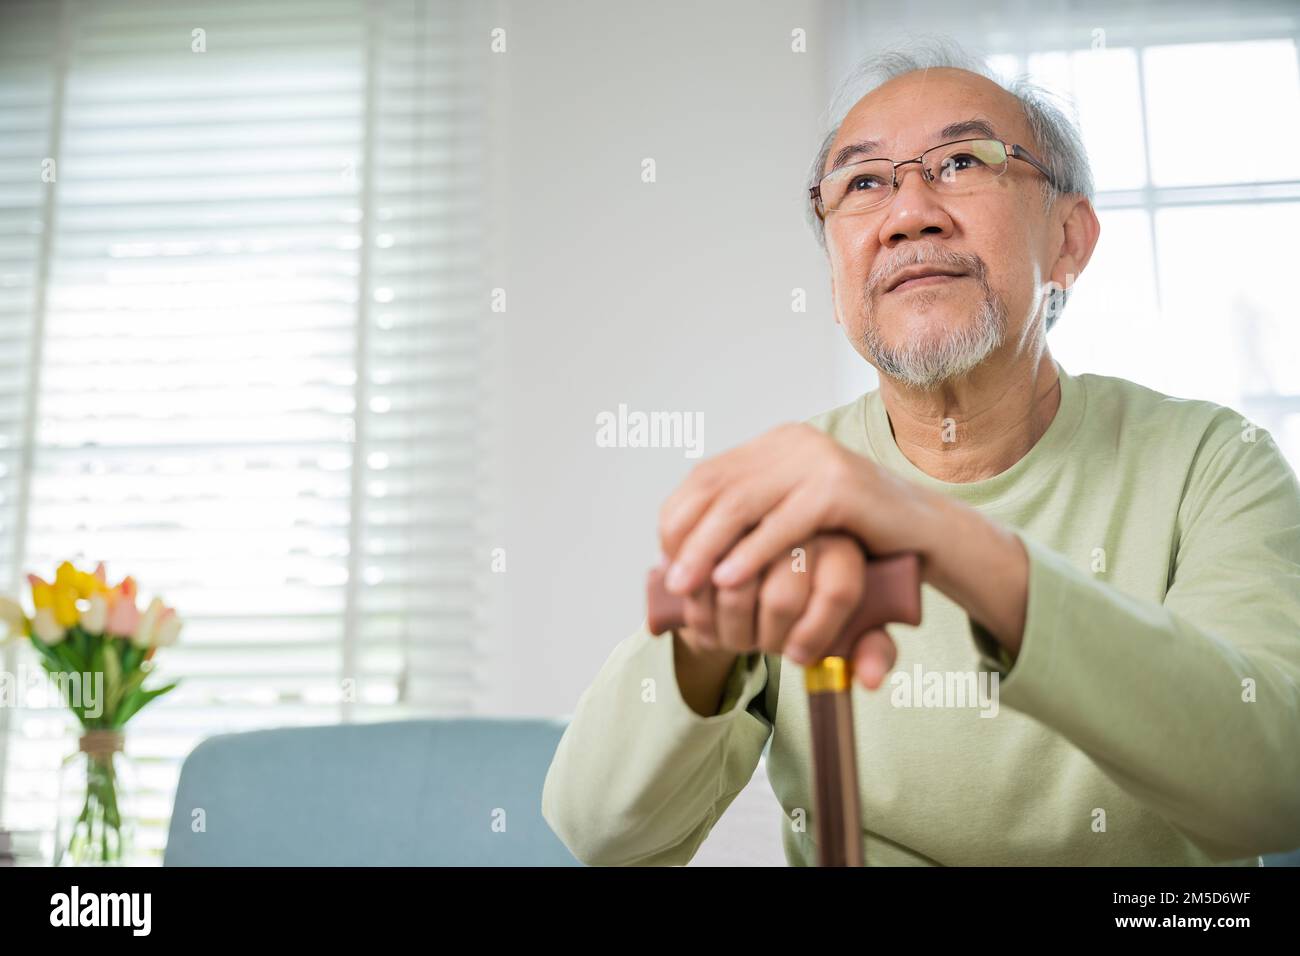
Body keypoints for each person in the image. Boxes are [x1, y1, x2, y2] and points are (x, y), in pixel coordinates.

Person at [541, 39, 1300, 866]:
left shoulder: (1213, 463)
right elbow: (597, 833)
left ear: (1071, 239)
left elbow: (1274, 792)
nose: (908, 213)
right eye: (864, 182)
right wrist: (703, 644)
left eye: (964, 161)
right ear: (836, 282)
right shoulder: (786, 500)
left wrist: (939, 535)